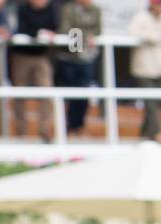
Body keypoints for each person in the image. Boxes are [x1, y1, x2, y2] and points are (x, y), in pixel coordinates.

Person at [12, 0, 60, 141]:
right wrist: (38, 33)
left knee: (46, 91)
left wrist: (51, 34)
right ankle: (21, 131)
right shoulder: (22, 9)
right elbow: (20, 29)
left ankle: (45, 130)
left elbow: (56, 27)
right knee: (19, 93)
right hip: (22, 55)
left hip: (41, 56)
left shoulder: (52, 9)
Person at [129, 0, 161, 140]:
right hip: (144, 68)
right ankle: (155, 133)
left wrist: (154, 36)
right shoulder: (141, 17)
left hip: (160, 68)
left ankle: (146, 133)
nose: (160, 7)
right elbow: (133, 32)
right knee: (150, 102)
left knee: (155, 102)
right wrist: (152, 36)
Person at [56, 0, 103, 135]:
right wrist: (85, 35)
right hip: (69, 57)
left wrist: (83, 34)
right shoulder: (68, 9)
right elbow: (66, 29)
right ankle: (67, 127)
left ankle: (78, 126)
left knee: (84, 92)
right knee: (69, 92)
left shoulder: (95, 10)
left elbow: (97, 30)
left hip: (87, 57)